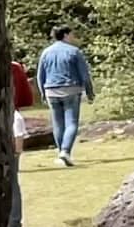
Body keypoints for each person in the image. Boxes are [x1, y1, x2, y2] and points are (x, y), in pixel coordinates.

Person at [38, 26, 94, 167]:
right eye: (72, 35)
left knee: (58, 124)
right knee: (72, 122)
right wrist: (89, 92)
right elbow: (85, 75)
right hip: (71, 89)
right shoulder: (74, 51)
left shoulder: (46, 52)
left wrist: (42, 93)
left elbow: (40, 76)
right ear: (66, 35)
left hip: (51, 90)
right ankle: (65, 151)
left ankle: (61, 153)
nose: (73, 37)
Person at [9, 103, 27, 227]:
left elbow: (18, 140)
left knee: (12, 187)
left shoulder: (15, 116)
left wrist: (16, 153)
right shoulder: (16, 115)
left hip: (9, 154)